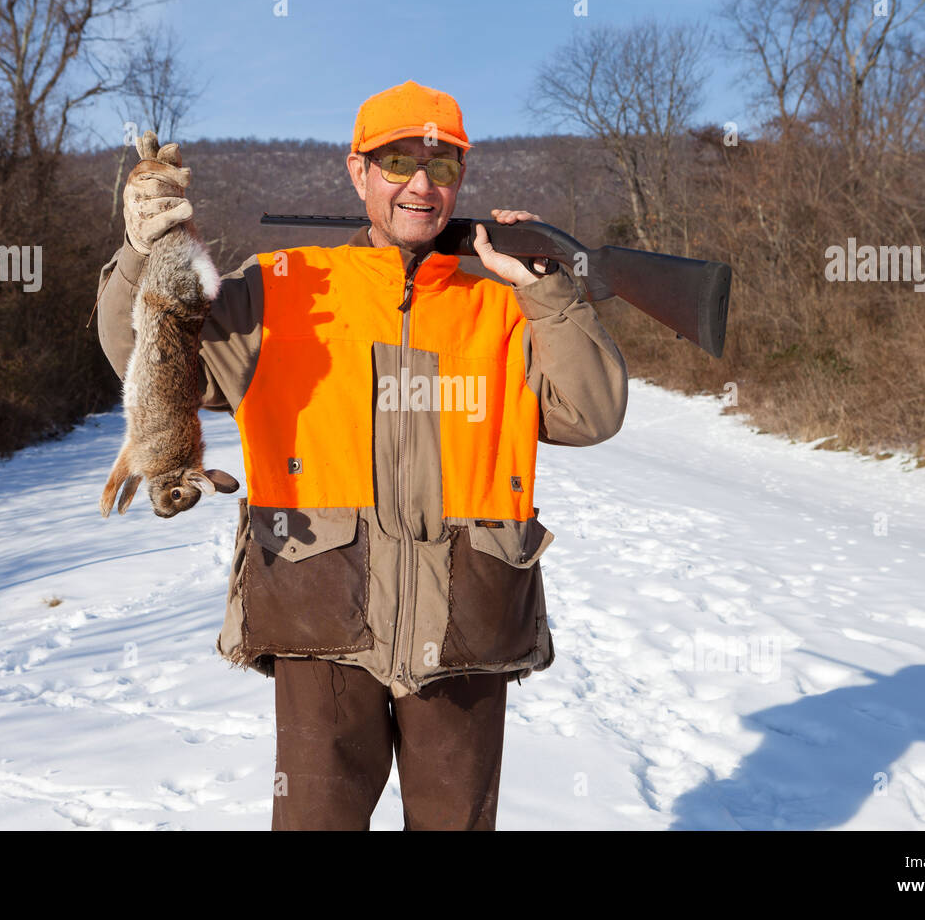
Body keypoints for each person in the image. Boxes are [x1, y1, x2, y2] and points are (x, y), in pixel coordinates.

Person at [95, 79, 629, 830]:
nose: (420, 183)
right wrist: (140, 255)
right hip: (321, 620)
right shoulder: (282, 287)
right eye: (397, 161)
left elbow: (595, 411)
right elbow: (143, 354)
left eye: (441, 166)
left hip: (466, 629)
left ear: (461, 179)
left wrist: (551, 292)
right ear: (357, 172)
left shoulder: (505, 302)